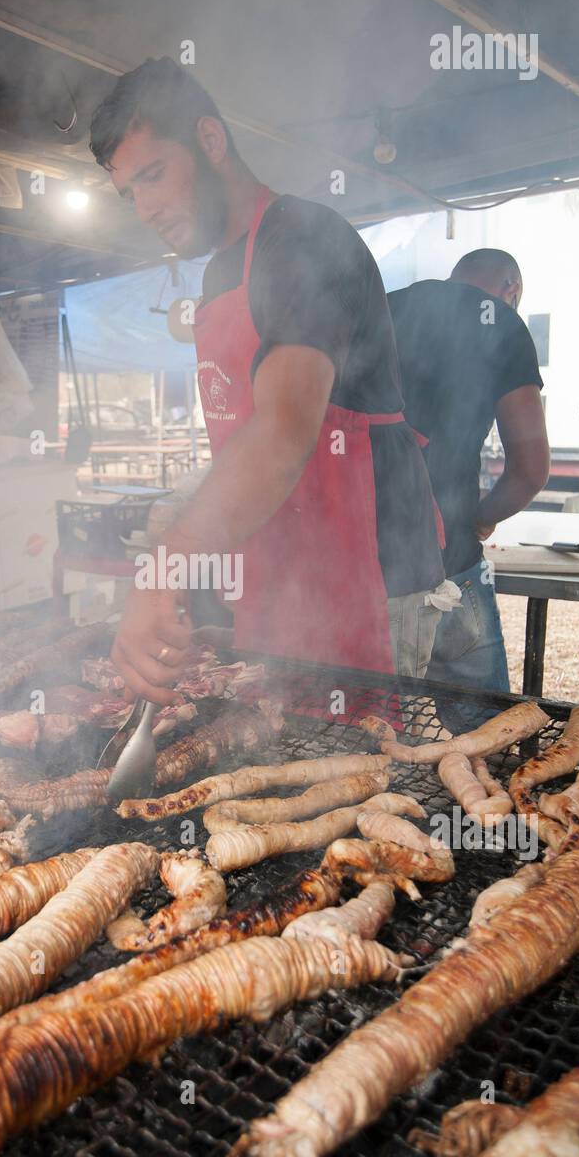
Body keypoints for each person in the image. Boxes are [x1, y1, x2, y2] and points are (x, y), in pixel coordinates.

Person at [89, 58, 448, 702]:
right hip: (283, 576)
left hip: (370, 573)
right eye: (129, 193)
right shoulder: (215, 275)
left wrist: (163, 567)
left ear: (210, 140)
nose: (143, 208)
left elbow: (283, 430)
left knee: (375, 774)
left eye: (153, 175)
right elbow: (243, 436)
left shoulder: (303, 236)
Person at [388, 248, 550, 692]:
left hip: (367, 575)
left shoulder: (387, 306)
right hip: (450, 567)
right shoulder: (502, 322)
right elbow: (531, 471)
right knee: (480, 737)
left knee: (383, 744)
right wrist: (479, 518)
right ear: (510, 288)